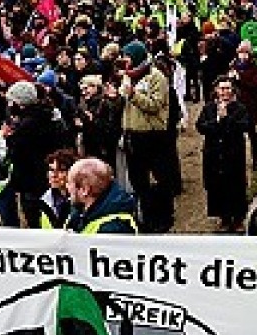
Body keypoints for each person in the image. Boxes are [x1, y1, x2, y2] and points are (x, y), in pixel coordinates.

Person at [120, 41, 175, 232]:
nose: (124, 59)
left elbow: (155, 105)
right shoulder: (128, 77)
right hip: (132, 135)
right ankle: (145, 217)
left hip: (152, 136)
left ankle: (163, 218)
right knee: (138, 181)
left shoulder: (156, 77)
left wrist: (133, 95)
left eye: (127, 55)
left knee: (159, 179)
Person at [2, 81, 67, 229]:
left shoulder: (27, 126)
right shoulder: (51, 115)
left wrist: (9, 138)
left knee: (35, 217)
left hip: (31, 179)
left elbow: (17, 155)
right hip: (49, 174)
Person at [196, 76, 251, 232]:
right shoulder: (208, 108)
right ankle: (224, 218)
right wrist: (218, 120)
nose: (225, 92)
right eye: (222, 88)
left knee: (236, 186)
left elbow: (244, 125)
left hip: (233, 154)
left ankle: (238, 218)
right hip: (214, 154)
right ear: (216, 90)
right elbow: (201, 126)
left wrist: (227, 119)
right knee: (217, 187)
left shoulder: (240, 108)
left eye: (228, 88)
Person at [63, 157, 139, 234]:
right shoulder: (79, 214)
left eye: (69, 183)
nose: (67, 187)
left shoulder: (113, 227)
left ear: (85, 190)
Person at [38, 149, 77, 229]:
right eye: (51, 170)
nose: (54, 175)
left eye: (60, 170)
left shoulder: (80, 201)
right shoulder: (43, 201)